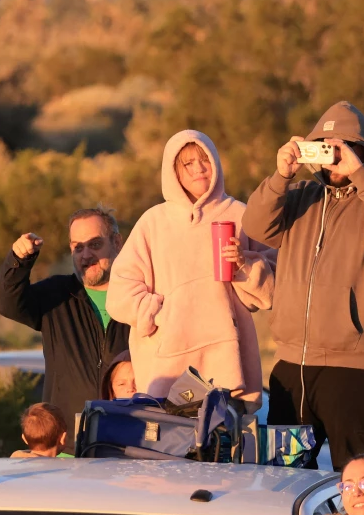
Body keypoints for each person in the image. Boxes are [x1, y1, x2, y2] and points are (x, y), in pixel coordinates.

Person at [243, 101, 364, 470]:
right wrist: (281, 176)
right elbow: (256, 226)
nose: (335, 159)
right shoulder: (300, 198)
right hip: (293, 368)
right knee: (283, 479)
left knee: (362, 480)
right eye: (327, 148)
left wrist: (361, 175)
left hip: (355, 371)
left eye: (346, 148)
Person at [107, 130, 275, 406]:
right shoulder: (154, 222)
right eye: (187, 163)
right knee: (169, 447)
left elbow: (270, 292)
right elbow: (120, 293)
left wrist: (243, 264)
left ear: (216, 163)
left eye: (204, 159)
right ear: (174, 172)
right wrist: (160, 314)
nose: (199, 168)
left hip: (229, 373)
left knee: (224, 447)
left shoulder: (240, 215)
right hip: (167, 371)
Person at [0, 207, 132, 435]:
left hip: (128, 444)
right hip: (64, 449)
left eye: (95, 244)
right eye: (77, 247)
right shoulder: (56, 295)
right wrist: (19, 261)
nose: (85, 255)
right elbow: (6, 303)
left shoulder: (140, 297)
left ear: (117, 243)